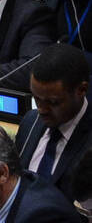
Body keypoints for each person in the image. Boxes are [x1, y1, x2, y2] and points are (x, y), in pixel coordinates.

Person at [16, 43, 92, 203]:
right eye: (37, 98)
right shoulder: (30, 121)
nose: (42, 109)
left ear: (81, 90)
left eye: (53, 102)